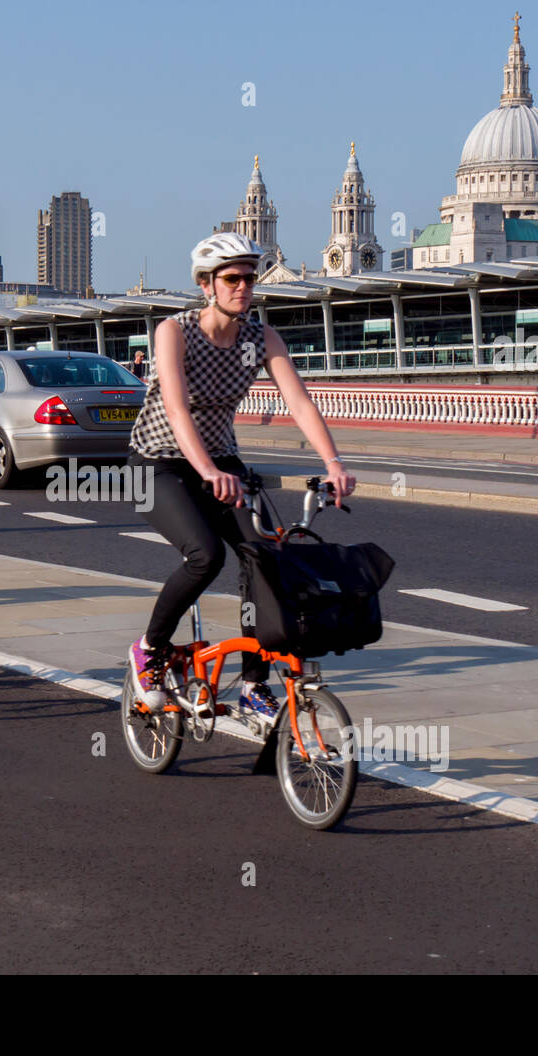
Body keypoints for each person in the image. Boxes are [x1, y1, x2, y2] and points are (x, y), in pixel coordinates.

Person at [126, 233, 355, 724]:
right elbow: (176, 407)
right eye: (232, 279)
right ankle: (149, 649)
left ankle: (254, 684)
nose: (244, 288)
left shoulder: (260, 338)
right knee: (204, 555)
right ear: (207, 284)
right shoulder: (175, 332)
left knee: (265, 560)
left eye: (250, 278)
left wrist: (333, 463)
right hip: (158, 461)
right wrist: (205, 470)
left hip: (221, 460)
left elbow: (298, 402)